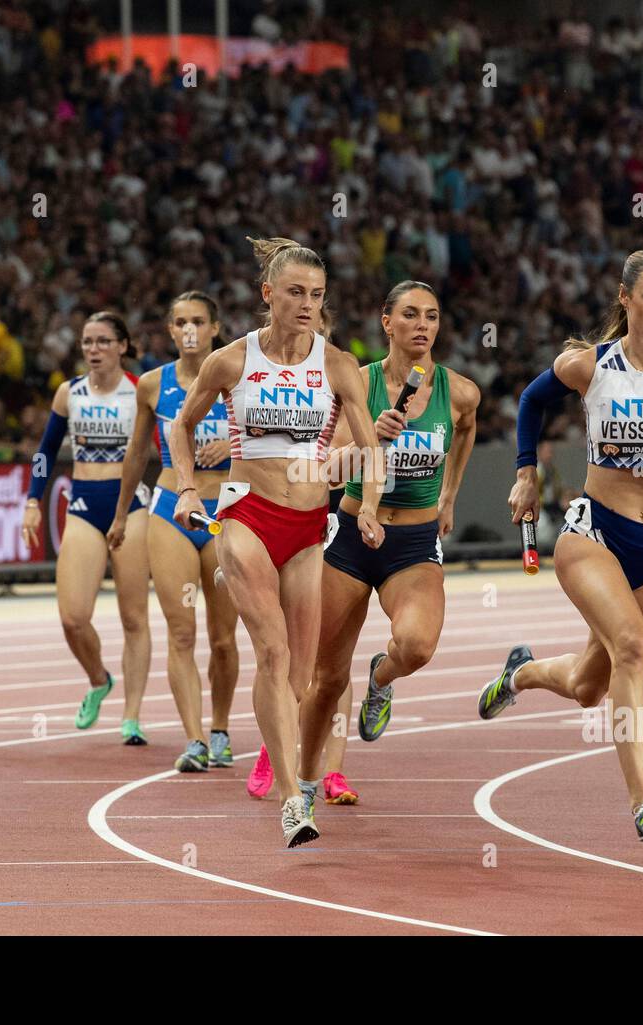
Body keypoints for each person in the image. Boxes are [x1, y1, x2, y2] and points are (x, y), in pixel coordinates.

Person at [477, 248, 643, 841]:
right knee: (632, 646)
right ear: (625, 300)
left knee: (586, 686)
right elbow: (530, 401)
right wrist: (526, 471)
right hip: (594, 531)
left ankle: (518, 674)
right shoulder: (589, 365)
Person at [166, 236, 387, 847]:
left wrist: (367, 506)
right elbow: (181, 426)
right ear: (268, 294)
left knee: (302, 676)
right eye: (295, 292)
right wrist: (188, 489)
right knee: (271, 653)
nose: (308, 304)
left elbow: (369, 448)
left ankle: (283, 762)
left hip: (308, 527)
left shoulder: (337, 364)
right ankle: (294, 800)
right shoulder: (232, 362)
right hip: (247, 515)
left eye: (317, 295)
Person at [292, 280, 479, 810]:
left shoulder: (458, 391)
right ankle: (305, 785)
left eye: (433, 317)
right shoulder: (356, 382)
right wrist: (367, 435)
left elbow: (465, 430)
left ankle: (381, 676)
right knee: (324, 677)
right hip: (352, 536)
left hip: (414, 542)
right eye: (412, 315)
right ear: (386, 322)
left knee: (417, 645)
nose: (423, 326)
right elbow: (324, 468)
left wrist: (449, 496)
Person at [106, 292, 239, 772]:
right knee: (181, 633)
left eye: (198, 322)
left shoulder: (238, 376)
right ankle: (195, 739)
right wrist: (122, 515)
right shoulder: (150, 386)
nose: (189, 331)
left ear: (215, 328)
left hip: (225, 513)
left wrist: (236, 438)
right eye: (180, 322)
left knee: (223, 638)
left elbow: (276, 440)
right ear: (169, 330)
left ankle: (221, 729)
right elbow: (136, 455)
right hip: (170, 510)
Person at [21, 311, 152, 746]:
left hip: (129, 506)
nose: (93, 350)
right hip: (82, 505)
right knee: (73, 617)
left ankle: (131, 717)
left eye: (102, 341)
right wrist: (32, 503)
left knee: (133, 617)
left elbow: (171, 444)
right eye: (86, 342)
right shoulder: (69, 393)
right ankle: (99, 680)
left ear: (122, 346)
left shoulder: (140, 392)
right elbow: (44, 453)